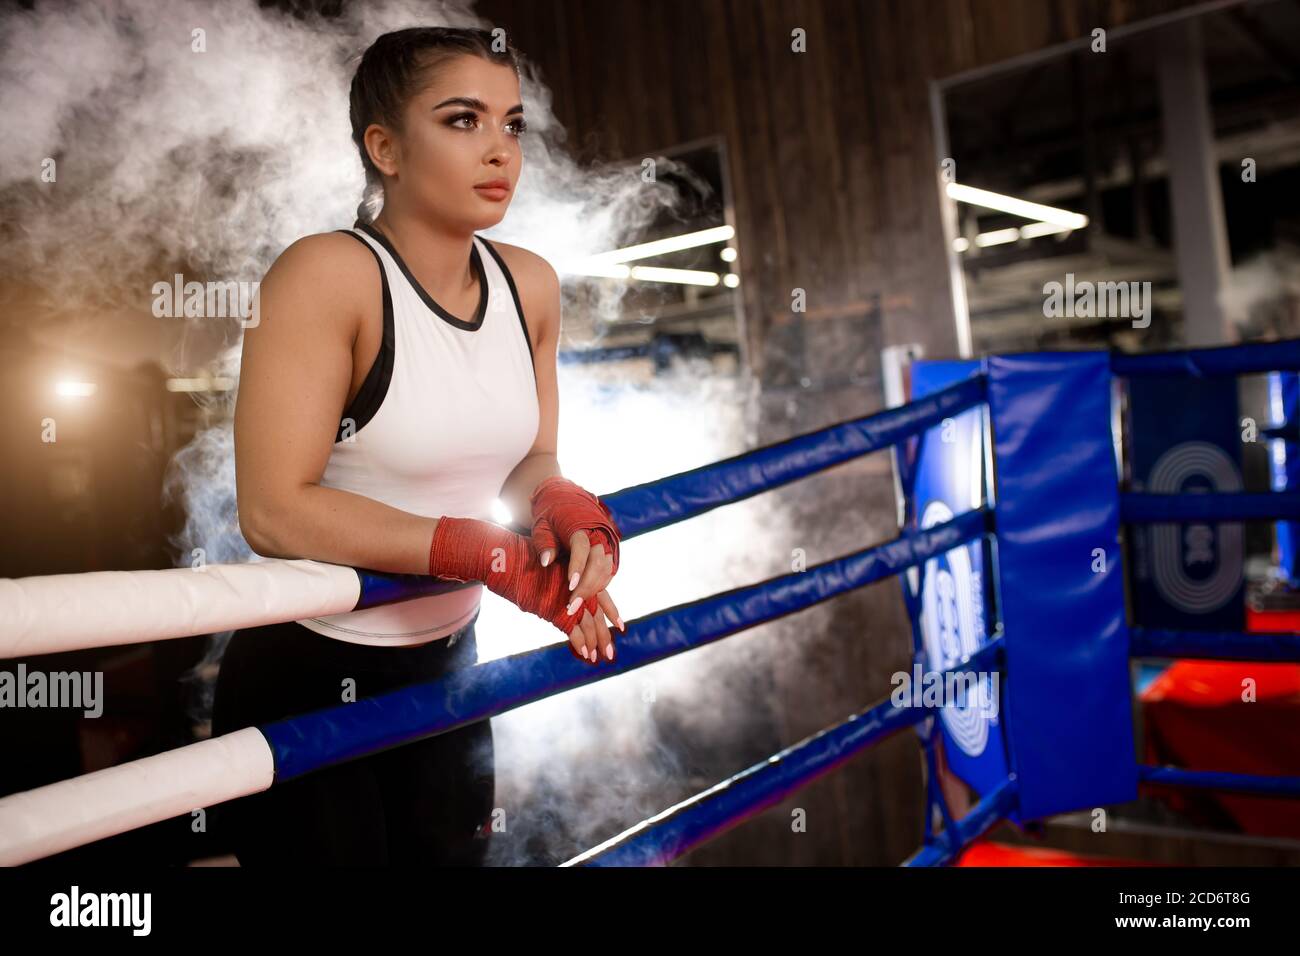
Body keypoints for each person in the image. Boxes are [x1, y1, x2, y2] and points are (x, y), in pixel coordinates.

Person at [210, 26, 623, 866]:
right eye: (464, 121)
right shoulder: (327, 275)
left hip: (449, 664)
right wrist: (482, 552)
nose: (500, 150)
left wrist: (565, 510)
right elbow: (273, 510)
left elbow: (529, 463)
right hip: (313, 669)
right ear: (386, 147)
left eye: (512, 125)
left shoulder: (530, 283)